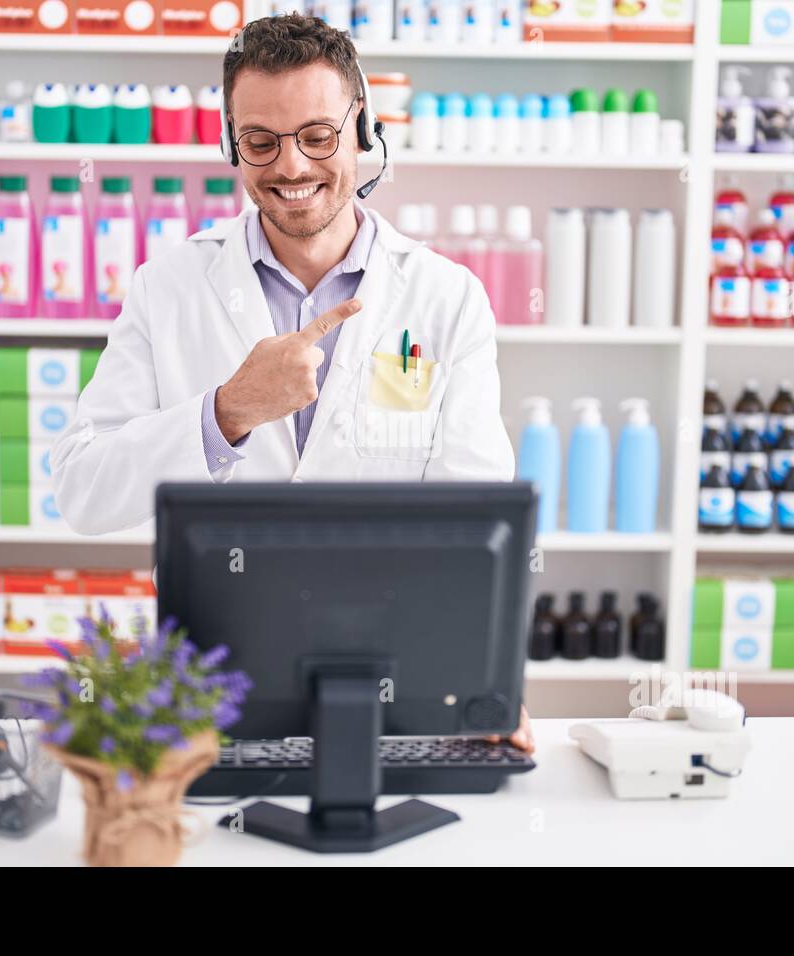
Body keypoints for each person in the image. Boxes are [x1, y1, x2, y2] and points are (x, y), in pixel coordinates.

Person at [51, 15, 529, 751]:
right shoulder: (168, 289)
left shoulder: (446, 296)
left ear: (362, 128)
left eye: (317, 135)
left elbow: (477, 525)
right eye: (261, 142)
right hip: (217, 694)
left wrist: (482, 680)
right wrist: (227, 412)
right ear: (229, 144)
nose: (292, 167)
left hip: (395, 684)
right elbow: (83, 492)